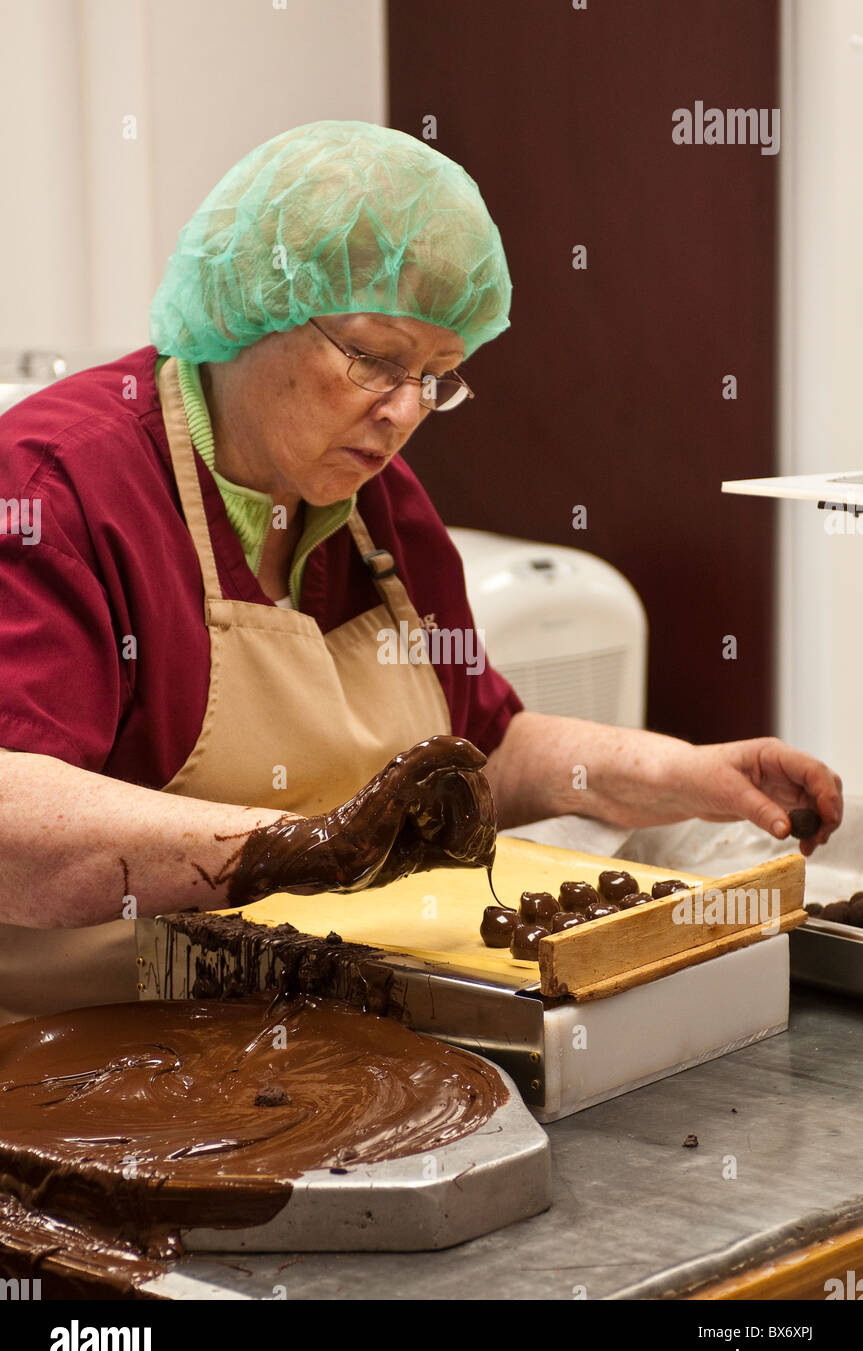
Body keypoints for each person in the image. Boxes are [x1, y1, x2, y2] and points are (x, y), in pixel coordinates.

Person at [0, 121, 842, 1026]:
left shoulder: (379, 503)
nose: (404, 411)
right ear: (255, 305)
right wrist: (308, 845)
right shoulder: (58, 487)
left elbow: (489, 750)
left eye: (439, 376)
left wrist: (683, 774)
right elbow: (15, 820)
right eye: (374, 358)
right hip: (87, 1059)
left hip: (316, 1026)